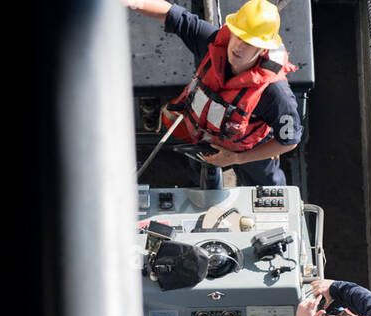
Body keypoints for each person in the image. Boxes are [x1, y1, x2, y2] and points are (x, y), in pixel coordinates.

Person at [126, 1, 302, 189]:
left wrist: (237, 158)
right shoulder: (212, 42)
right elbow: (172, 14)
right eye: (238, 35)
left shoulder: (276, 94)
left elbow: (289, 141)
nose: (238, 47)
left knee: (267, 189)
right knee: (201, 179)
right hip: (205, 140)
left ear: (263, 49)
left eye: (250, 43)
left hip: (250, 149)